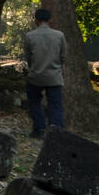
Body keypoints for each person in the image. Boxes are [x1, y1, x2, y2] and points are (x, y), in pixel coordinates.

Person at [23, 7, 65, 138]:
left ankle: (39, 128)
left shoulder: (29, 36)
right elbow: (63, 56)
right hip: (54, 76)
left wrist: (34, 67)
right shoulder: (59, 35)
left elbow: (28, 57)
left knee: (34, 103)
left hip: (36, 75)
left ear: (36, 20)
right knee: (56, 106)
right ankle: (56, 132)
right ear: (49, 20)